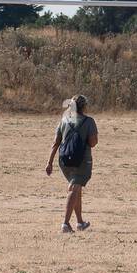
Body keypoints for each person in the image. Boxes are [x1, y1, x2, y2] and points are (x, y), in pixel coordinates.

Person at [46, 94, 98, 233]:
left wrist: (49, 162)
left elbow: (56, 143)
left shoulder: (64, 120)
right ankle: (65, 223)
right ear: (84, 106)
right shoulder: (89, 121)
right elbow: (93, 143)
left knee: (76, 189)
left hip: (64, 161)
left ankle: (80, 222)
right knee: (74, 189)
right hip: (81, 161)